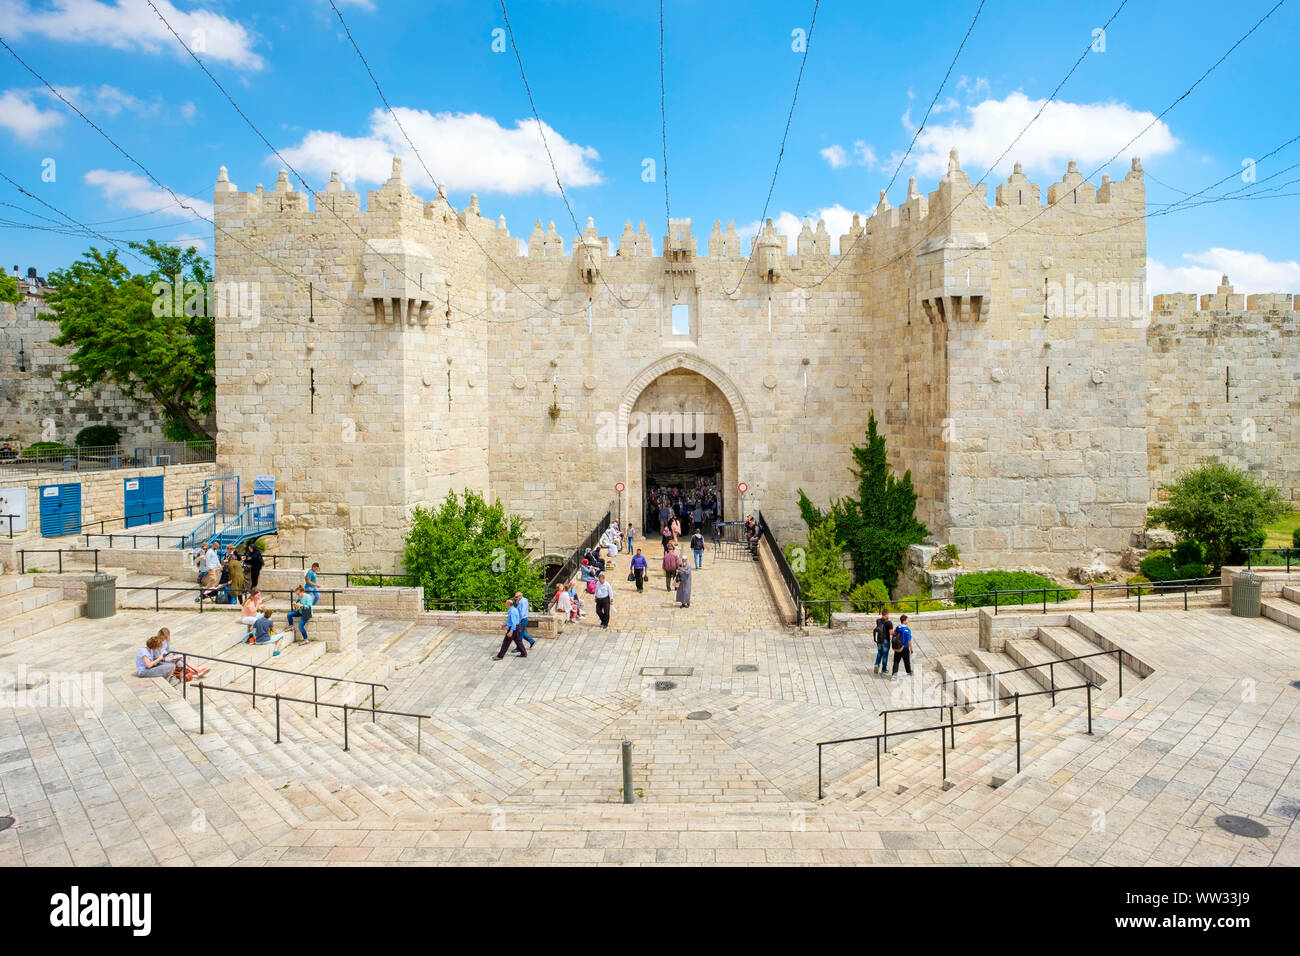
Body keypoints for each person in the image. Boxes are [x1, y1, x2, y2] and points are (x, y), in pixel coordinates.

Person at [891, 614, 914, 679]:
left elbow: (894, 635)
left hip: (898, 647)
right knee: (906, 660)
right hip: (905, 647)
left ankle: (894, 675)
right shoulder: (907, 630)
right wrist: (911, 649)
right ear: (904, 621)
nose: (908, 621)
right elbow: (909, 640)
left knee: (896, 661)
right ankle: (908, 672)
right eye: (907, 620)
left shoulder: (897, 628)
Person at [872, 610, 894, 675]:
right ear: (886, 614)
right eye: (888, 614)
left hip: (879, 640)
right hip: (885, 641)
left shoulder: (878, 621)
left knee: (879, 653)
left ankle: (876, 664)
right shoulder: (889, 623)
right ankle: (884, 669)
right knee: (885, 655)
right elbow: (891, 633)